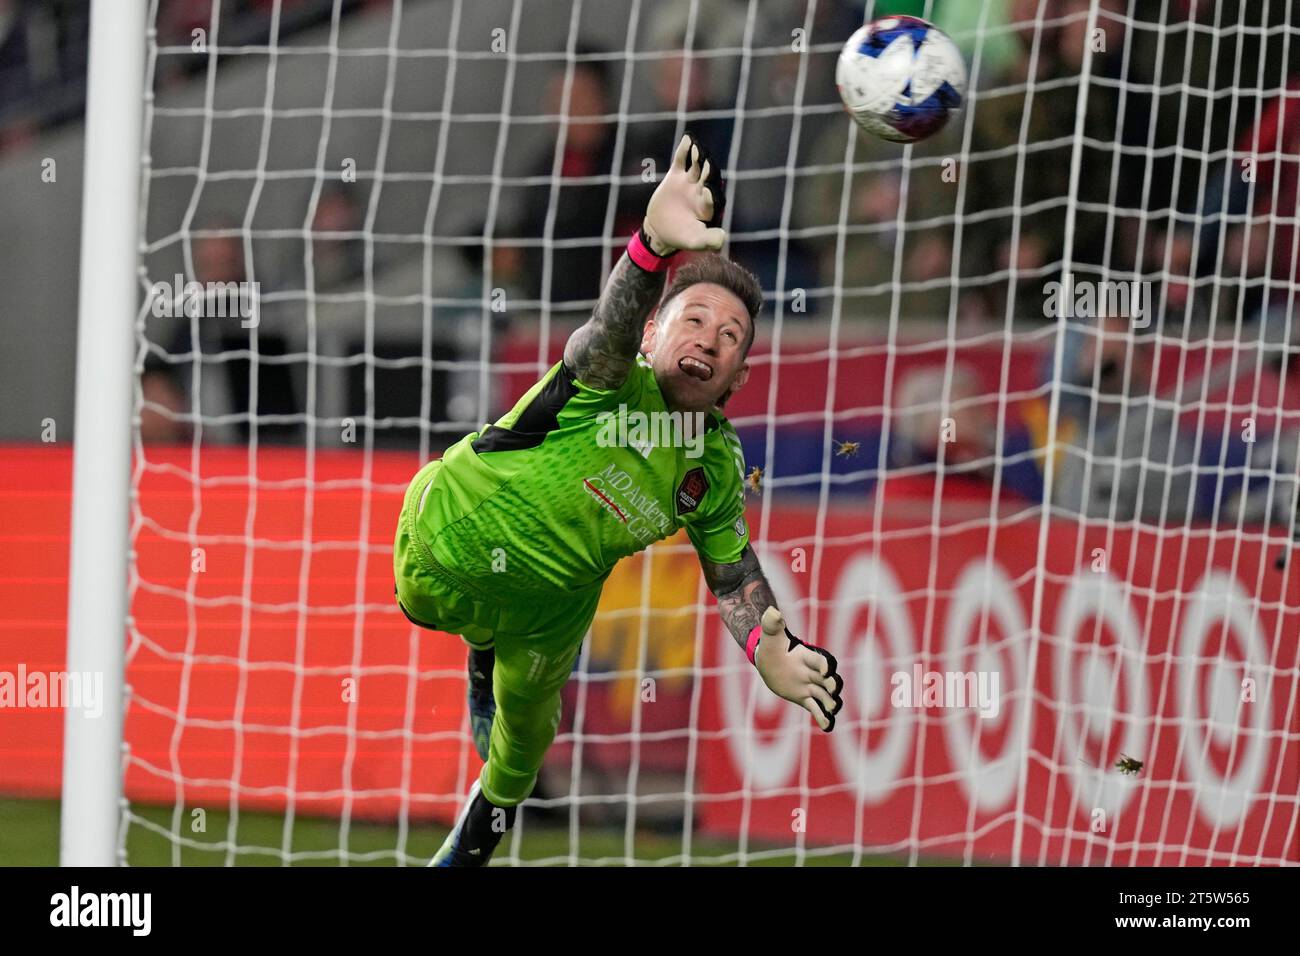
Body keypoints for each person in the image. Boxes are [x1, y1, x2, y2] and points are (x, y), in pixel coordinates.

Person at [392, 135, 844, 867]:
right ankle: (481, 646)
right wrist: (650, 245)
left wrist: (770, 648)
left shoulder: (716, 464)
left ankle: (457, 862)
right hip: (450, 535)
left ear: (736, 380)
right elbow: (608, 327)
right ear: (653, 334)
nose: (710, 339)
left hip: (555, 603)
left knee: (521, 759)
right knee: (424, 607)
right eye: (693, 318)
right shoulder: (609, 377)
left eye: (730, 337)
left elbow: (732, 577)